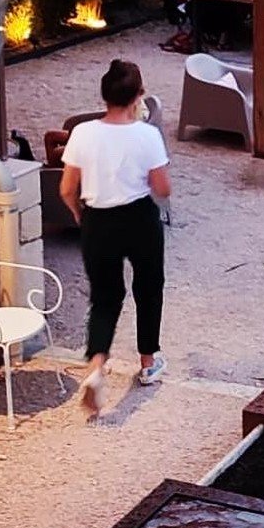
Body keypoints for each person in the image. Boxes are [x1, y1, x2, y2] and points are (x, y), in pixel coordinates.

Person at [60, 60, 172, 417]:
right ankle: (148, 362)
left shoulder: (82, 133)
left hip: (98, 220)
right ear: (138, 96)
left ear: (104, 95)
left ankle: (96, 366)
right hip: (138, 218)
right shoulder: (147, 136)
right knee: (148, 287)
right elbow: (162, 188)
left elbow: (66, 189)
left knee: (105, 298)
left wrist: (81, 215)